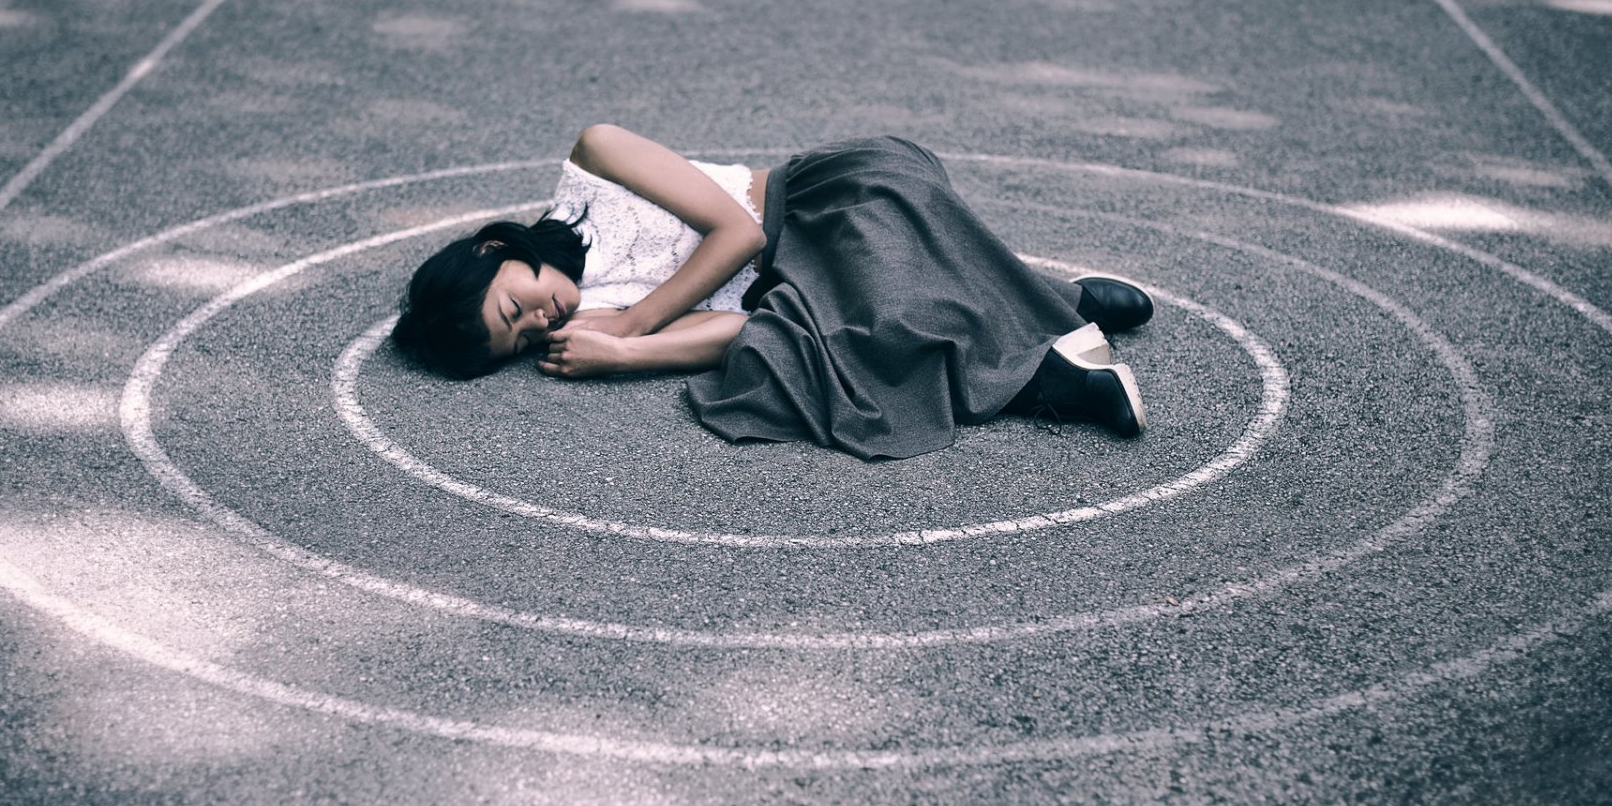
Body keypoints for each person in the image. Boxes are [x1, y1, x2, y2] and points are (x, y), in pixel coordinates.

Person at [391, 124, 1151, 460]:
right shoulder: (589, 322)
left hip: (826, 201)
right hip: (800, 288)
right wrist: (625, 356)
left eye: (512, 306)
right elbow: (735, 331)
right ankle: (1056, 310)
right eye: (521, 339)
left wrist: (633, 329)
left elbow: (740, 234)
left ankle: (1053, 345)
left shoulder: (594, 160)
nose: (539, 321)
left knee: (867, 308)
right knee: (786, 353)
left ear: (494, 251)